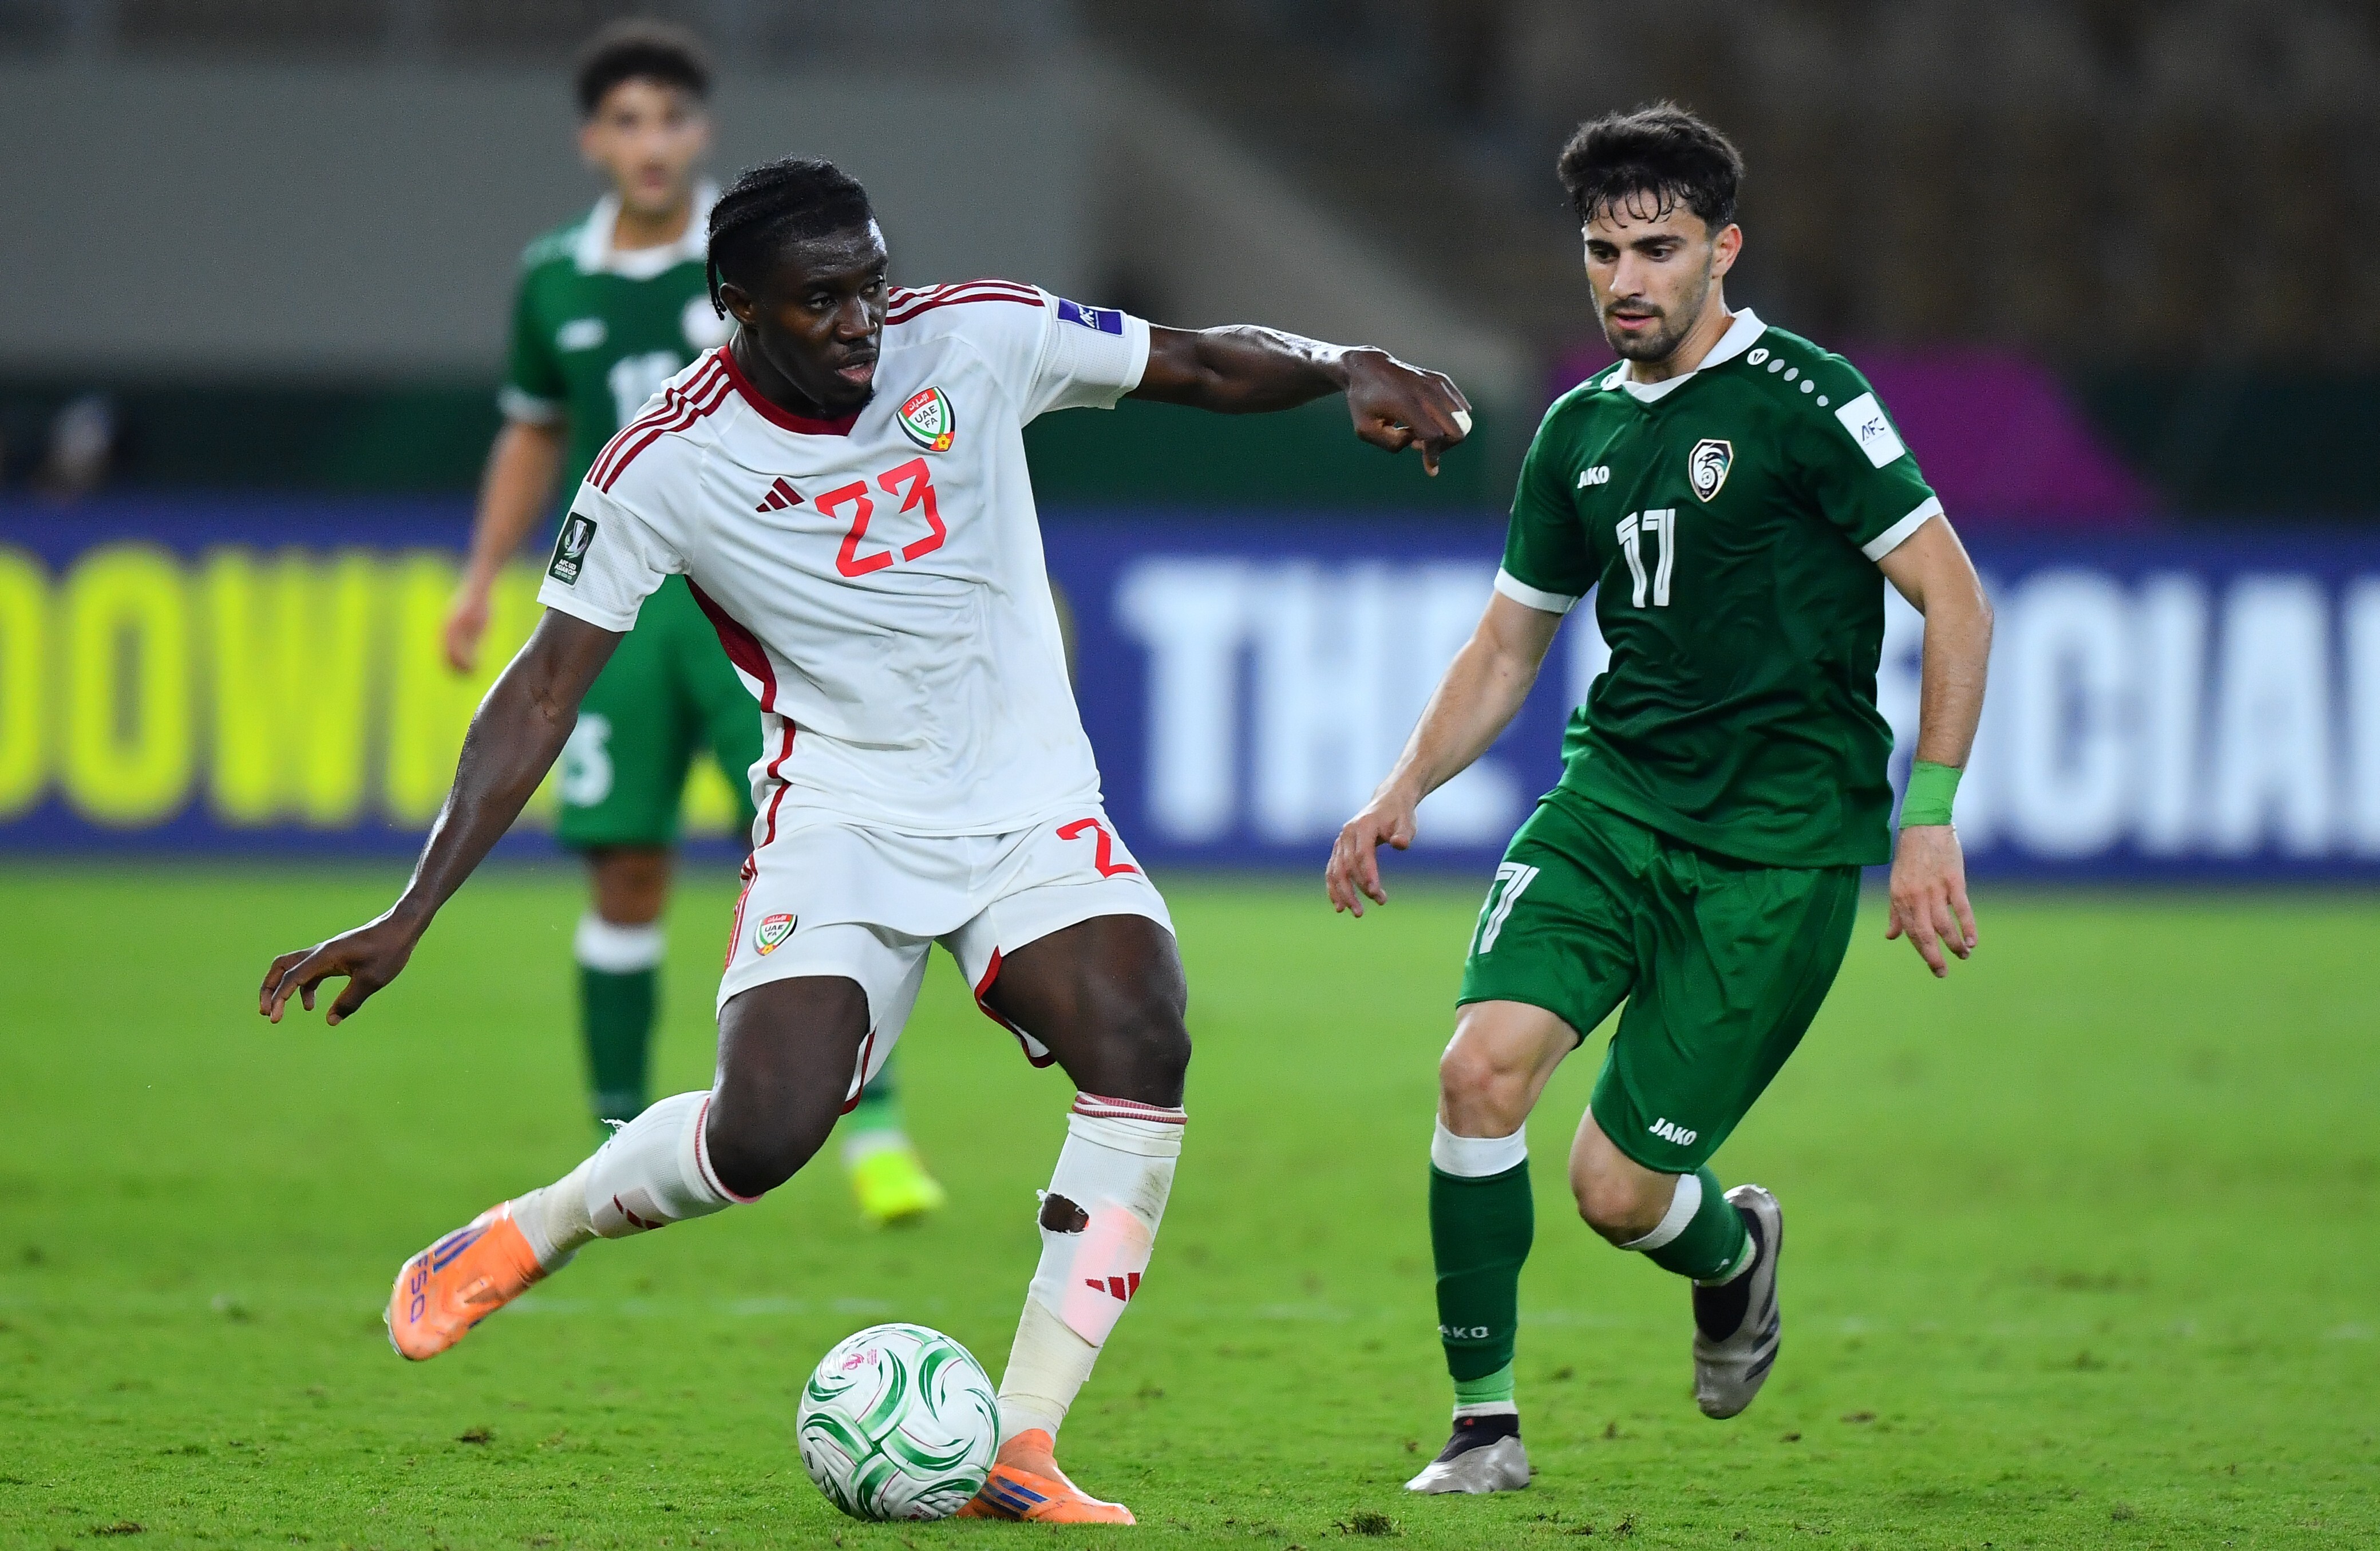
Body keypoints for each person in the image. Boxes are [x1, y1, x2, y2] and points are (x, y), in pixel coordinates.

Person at [261, 155, 1472, 1524]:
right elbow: (543, 686)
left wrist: (1341, 362)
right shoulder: (667, 461)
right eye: (822, 298)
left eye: (873, 285)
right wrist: (413, 906)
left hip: (1030, 799)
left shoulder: (978, 336)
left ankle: (1022, 1440)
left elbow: (1192, 359)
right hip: (839, 813)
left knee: (1142, 1036)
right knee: (763, 1135)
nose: (862, 322)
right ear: (738, 305)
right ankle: (538, 1223)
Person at [1324, 104, 1993, 1495]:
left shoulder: (1805, 398)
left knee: (1615, 1190)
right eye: (1602, 252)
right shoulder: (1575, 429)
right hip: (1612, 808)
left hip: (1778, 854)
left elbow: (1956, 597)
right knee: (1476, 1070)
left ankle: (1733, 1254)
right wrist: (1403, 784)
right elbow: (1509, 643)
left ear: (1723, 249)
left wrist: (1927, 814)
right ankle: (1484, 1427)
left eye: (1658, 249)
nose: (1625, 281)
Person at [443, 20, 942, 1222]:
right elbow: (533, 429)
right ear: (593, 141)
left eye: (670, 117)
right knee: (625, 866)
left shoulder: (760, 263)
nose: (651, 142)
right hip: (616, 610)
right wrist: (480, 574)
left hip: (752, 598)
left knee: (830, 852)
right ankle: (618, 1136)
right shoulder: (553, 277)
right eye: (628, 121)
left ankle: (876, 1130)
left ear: (701, 130)